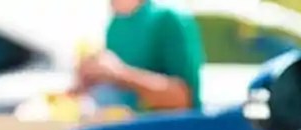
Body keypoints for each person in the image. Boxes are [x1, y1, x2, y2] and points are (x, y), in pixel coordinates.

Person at [76, 0, 205, 113]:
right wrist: (90, 82)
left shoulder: (171, 19)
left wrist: (120, 73)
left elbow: (185, 100)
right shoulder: (115, 26)